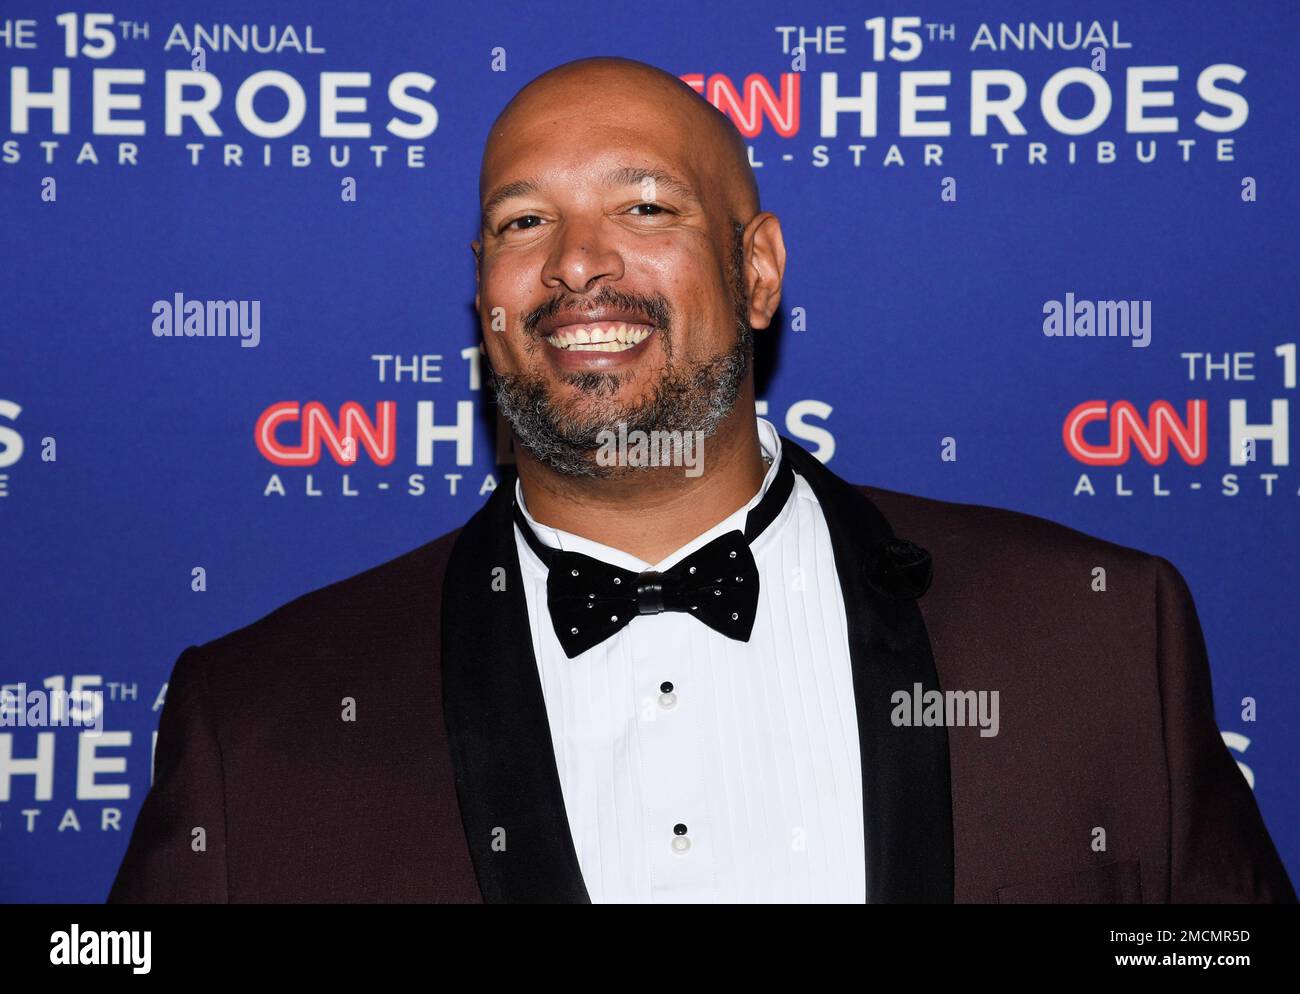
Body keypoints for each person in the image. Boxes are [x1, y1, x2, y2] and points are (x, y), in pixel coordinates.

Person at [108, 56, 1295, 904]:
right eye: (524, 222)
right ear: (483, 300)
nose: (578, 262)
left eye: (643, 205)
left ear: (758, 270)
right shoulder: (253, 722)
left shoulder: (1091, 638)